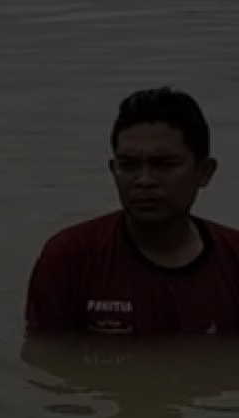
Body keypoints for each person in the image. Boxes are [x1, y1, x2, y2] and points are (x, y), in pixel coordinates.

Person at [25, 87, 239, 335]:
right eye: (129, 165)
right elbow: (44, 361)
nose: (144, 180)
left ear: (204, 172)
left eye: (165, 165)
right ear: (113, 170)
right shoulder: (70, 258)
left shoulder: (234, 261)